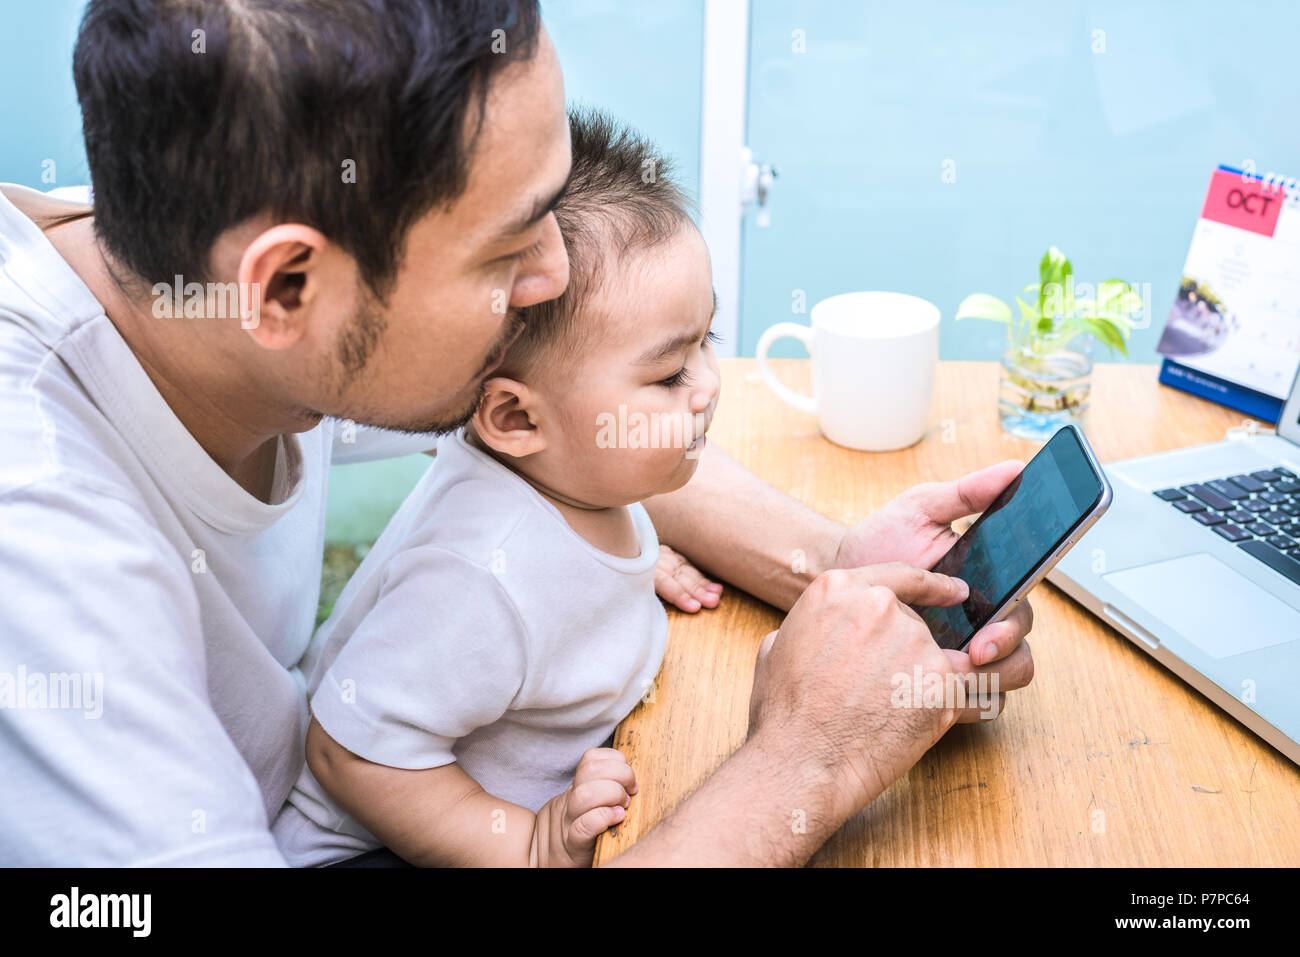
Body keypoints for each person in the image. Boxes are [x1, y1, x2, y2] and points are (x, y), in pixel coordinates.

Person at [0, 0, 1033, 867]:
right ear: (287, 288)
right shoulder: (40, 547)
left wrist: (835, 570)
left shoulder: (219, 276)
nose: (552, 278)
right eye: (506, 251)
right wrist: (807, 764)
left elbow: (577, 417)